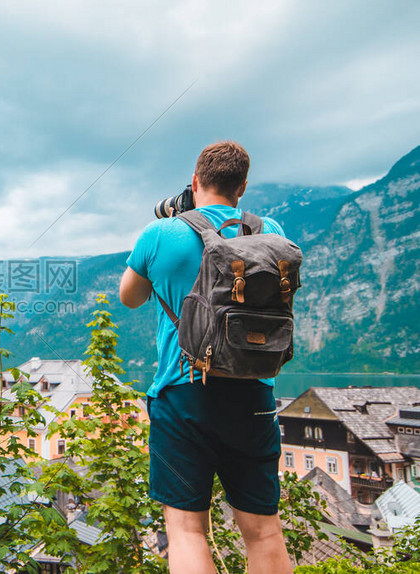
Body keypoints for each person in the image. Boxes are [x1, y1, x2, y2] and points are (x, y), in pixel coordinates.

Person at [119, 142, 293, 574]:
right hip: (254, 393)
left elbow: (130, 298)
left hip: (183, 394)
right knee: (265, 533)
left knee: (188, 531)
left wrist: (169, 228)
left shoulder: (162, 234)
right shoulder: (270, 230)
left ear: (194, 182)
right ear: (243, 188)